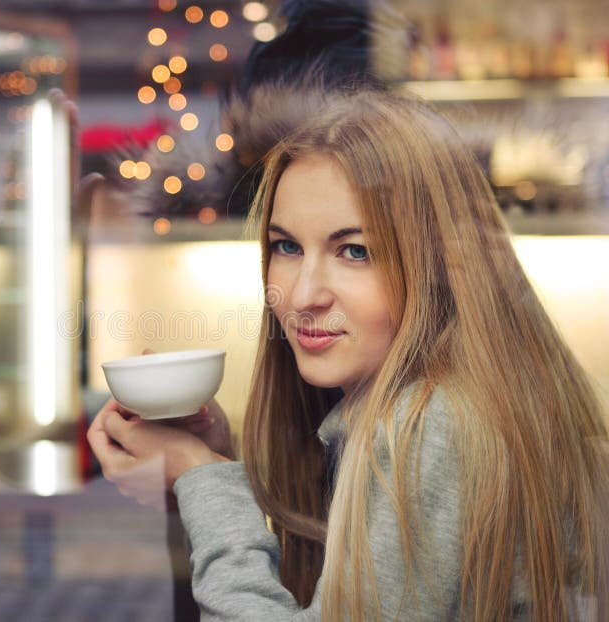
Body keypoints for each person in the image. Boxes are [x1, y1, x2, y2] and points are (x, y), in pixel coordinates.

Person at [87, 87, 609, 621]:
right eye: (287, 246)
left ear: (437, 268)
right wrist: (212, 461)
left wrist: (203, 475)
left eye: (354, 251)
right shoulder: (448, 407)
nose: (302, 294)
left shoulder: (429, 425)